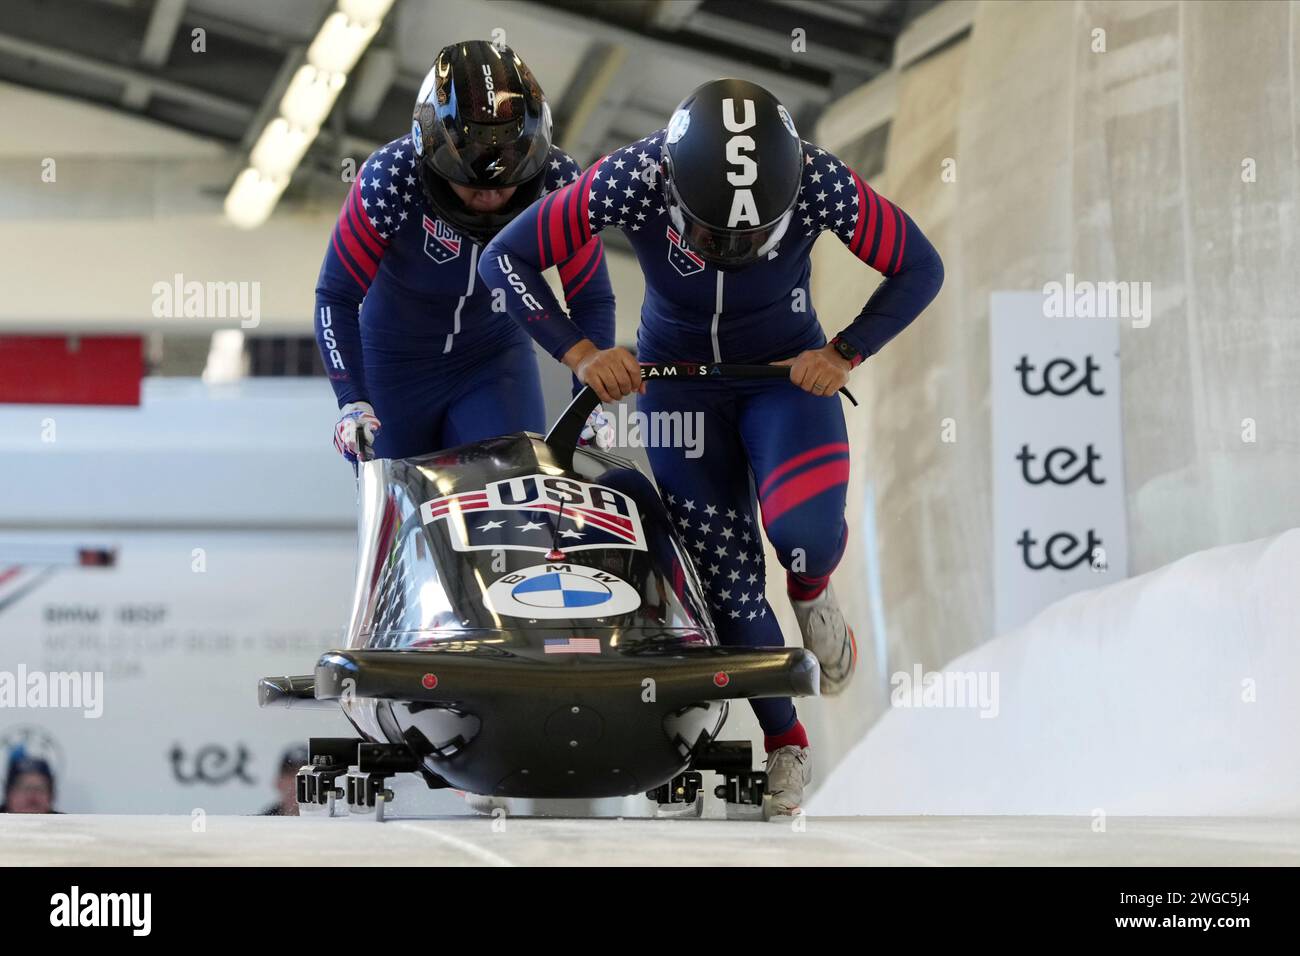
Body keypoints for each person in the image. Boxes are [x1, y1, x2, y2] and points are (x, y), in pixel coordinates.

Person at [480, 78, 943, 813]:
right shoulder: (636, 174)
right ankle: (787, 744)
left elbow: (921, 266)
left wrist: (846, 353)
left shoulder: (819, 179)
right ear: (674, 191)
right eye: (710, 235)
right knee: (726, 584)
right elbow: (505, 259)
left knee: (804, 535)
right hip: (679, 388)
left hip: (782, 379)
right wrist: (580, 354)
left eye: (748, 239)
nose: (729, 251)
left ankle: (813, 593)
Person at [314, 40, 614, 462]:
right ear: (433, 156)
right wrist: (352, 400)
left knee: (515, 495)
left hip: (492, 363)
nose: (491, 197)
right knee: (405, 507)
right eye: (472, 183)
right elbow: (336, 296)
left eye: (506, 181)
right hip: (392, 368)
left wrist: (588, 400)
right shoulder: (387, 180)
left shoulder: (560, 182)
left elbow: (590, 295)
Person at [1, 749, 56, 814]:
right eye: (25, 788)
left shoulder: (65, 822)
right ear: (8, 793)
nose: (32, 796)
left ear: (51, 795)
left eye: (39, 789)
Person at [260, 745, 308, 816]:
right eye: (290, 774)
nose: (296, 781)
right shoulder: (262, 822)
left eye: (305, 775)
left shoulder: (329, 821)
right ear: (278, 782)